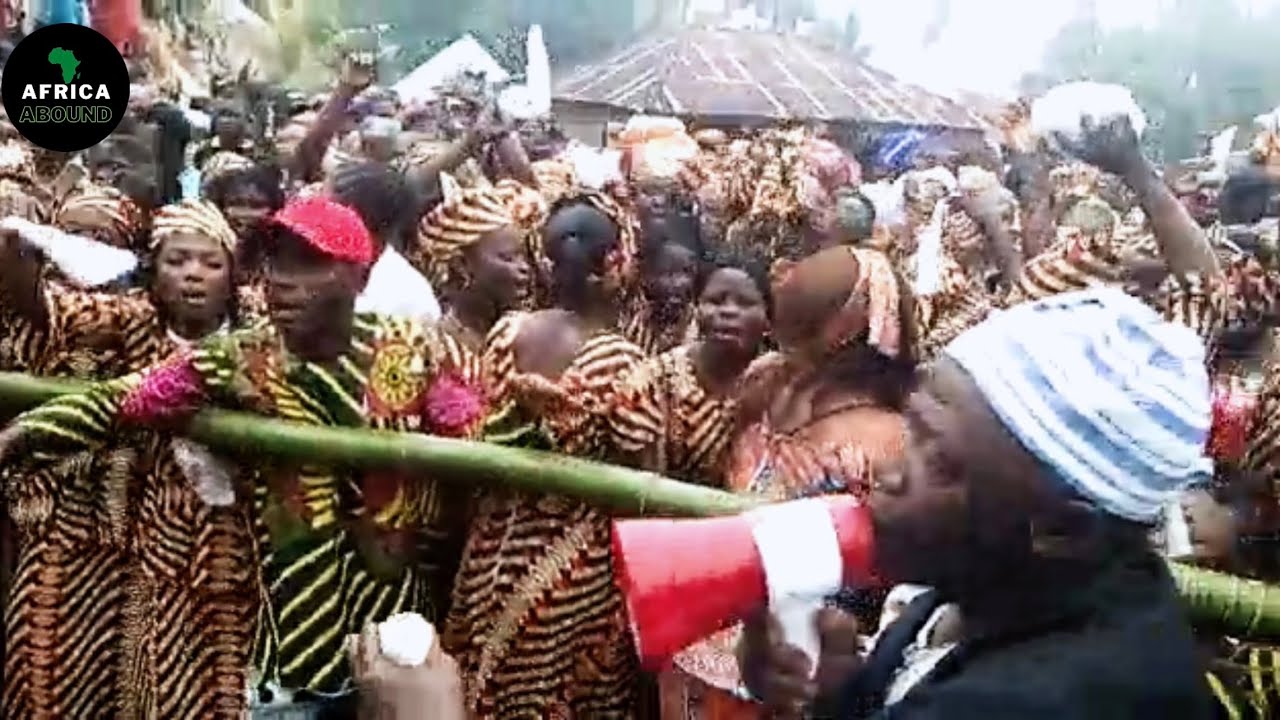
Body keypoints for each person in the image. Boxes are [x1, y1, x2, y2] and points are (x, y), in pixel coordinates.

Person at [0, 196, 486, 716]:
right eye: (277, 264)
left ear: (359, 279)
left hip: (391, 631)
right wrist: (14, 440)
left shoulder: (412, 348)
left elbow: (472, 439)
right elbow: (121, 401)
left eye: (310, 265)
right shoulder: (237, 358)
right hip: (296, 638)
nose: (283, 281)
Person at [739, 288, 1215, 719]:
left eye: (940, 460)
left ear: (1062, 530)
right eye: (913, 432)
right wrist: (841, 694)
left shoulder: (1024, 702)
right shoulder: (1008, 584)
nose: (888, 474)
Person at [415, 176, 544, 351]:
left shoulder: (520, 331)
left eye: (522, 255)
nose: (524, 267)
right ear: (462, 265)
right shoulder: (446, 348)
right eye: (508, 257)